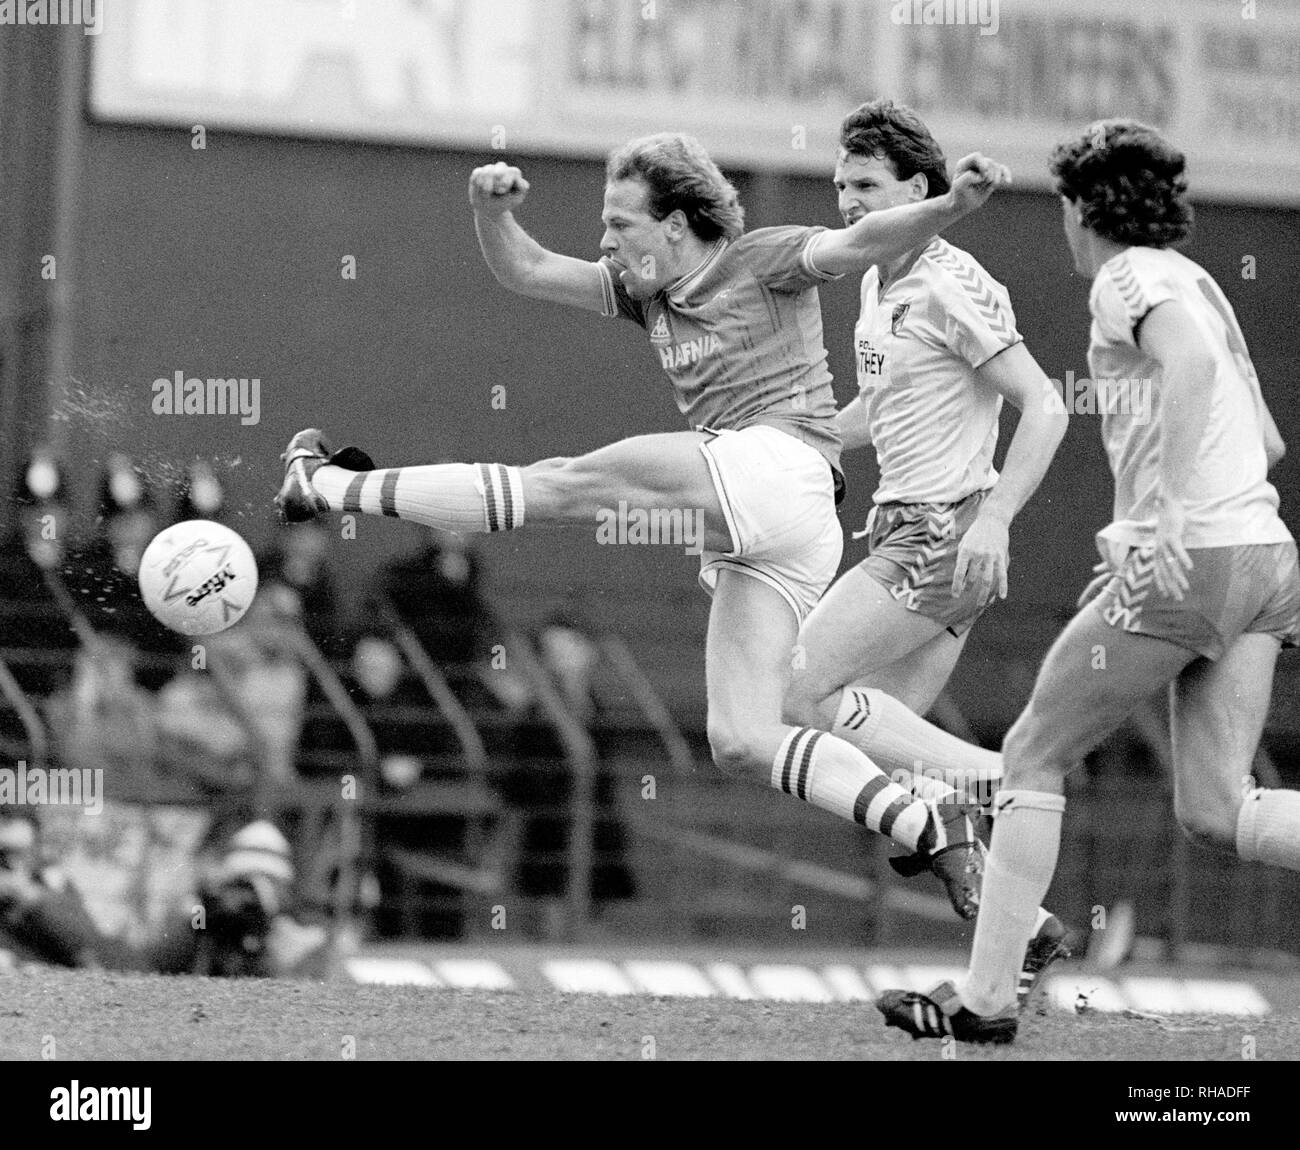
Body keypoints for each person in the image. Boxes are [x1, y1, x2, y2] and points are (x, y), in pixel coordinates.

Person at [276, 132, 1010, 911]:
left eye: (620, 223)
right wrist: (487, 211)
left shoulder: (761, 257)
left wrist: (953, 206)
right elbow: (524, 268)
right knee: (742, 740)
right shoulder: (642, 290)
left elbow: (864, 238)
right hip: (779, 527)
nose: (604, 240)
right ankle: (934, 826)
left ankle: (328, 486)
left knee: (566, 484)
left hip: (778, 468)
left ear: (676, 224)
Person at [877, 120, 1300, 1044]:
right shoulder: (1203, 284)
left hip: (1197, 558)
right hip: (1268, 559)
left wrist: (1167, 515)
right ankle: (989, 990)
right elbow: (1265, 440)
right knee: (1216, 810)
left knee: (1030, 753)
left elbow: (1185, 365)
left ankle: (984, 1006)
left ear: (1078, 209)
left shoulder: (1128, 277)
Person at [783, 102, 1068, 942]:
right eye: (839, 184)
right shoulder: (878, 280)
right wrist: (788, 438)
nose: (847, 200)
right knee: (876, 749)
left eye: (865, 184)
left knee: (795, 690)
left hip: (943, 533)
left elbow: (1046, 405)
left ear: (918, 186)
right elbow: (883, 407)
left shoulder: (952, 281)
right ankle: (1028, 922)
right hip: (912, 532)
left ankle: (1002, 778)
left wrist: (998, 520)